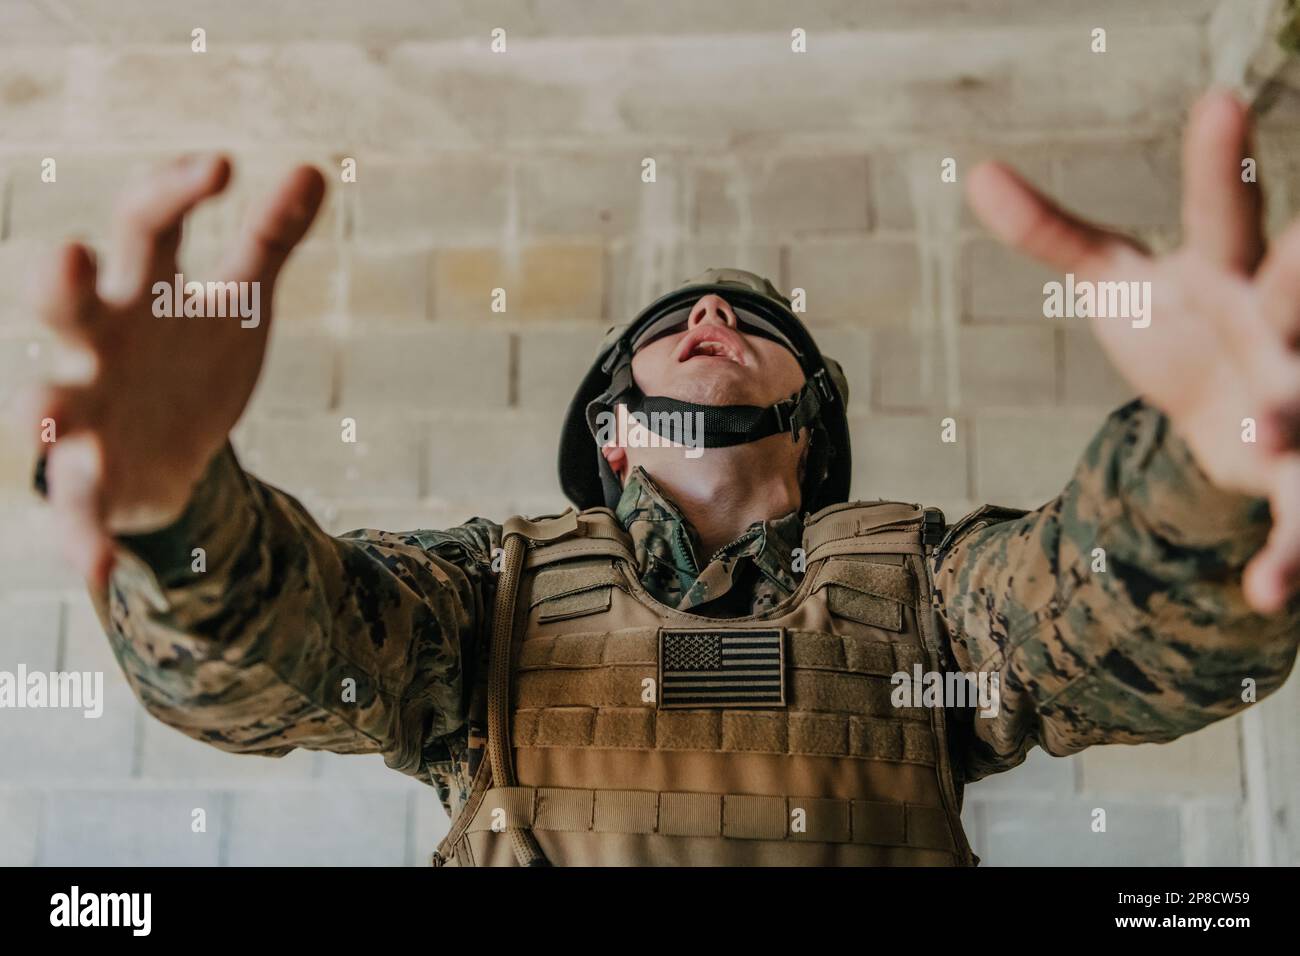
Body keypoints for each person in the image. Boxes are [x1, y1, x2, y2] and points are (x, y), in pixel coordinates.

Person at [22, 90, 1300, 865]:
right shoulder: (488, 597)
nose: (706, 316)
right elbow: (288, 663)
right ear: (613, 433)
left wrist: (1201, 473)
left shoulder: (930, 595)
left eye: (753, 327)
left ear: (806, 431)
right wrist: (178, 505)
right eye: (671, 321)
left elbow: (1095, 626)